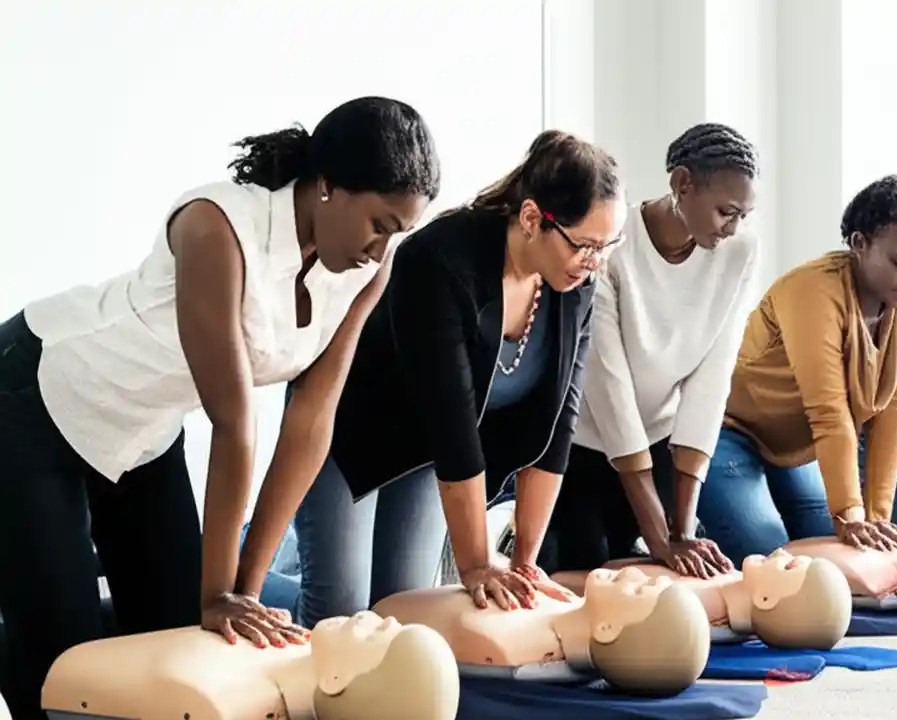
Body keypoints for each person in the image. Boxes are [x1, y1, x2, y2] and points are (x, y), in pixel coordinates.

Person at [0, 96, 440, 720]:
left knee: (182, 639)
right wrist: (219, 596)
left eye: (400, 231)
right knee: (65, 668)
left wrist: (245, 593)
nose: (382, 247)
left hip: (146, 432)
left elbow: (311, 421)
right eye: (380, 223)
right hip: (37, 400)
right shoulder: (216, 226)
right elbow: (234, 420)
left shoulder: (368, 268)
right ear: (329, 187)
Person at [289, 130, 625, 628]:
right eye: (586, 245)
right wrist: (476, 564)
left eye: (607, 247)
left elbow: (559, 422)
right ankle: (252, 592)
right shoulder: (444, 260)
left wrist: (525, 561)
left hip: (424, 450)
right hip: (351, 429)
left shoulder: (573, 284)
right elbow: (453, 421)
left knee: (399, 612)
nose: (595, 262)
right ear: (533, 219)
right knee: (338, 611)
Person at [539, 123, 759, 579]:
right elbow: (610, 390)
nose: (733, 227)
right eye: (725, 211)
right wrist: (660, 537)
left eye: (744, 215)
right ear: (682, 184)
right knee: (590, 566)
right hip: (582, 439)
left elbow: (710, 382)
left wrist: (681, 529)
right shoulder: (612, 244)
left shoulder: (739, 253)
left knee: (664, 566)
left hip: (657, 436)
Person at [696, 174, 897, 566]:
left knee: (837, 553)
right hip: (729, 430)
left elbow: (896, 410)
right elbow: (829, 410)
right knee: (772, 554)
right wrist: (850, 513)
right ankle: (697, 522)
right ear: (860, 244)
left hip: (796, 448)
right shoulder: (813, 291)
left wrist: (873, 519)